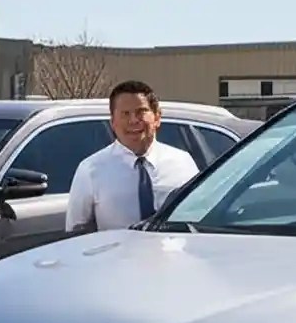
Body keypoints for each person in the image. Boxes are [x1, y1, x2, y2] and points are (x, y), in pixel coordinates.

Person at [65, 80, 200, 234]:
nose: (133, 120)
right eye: (125, 114)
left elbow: (199, 217)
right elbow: (76, 234)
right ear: (113, 122)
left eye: (140, 112)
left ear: (157, 117)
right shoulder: (90, 170)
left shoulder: (182, 162)